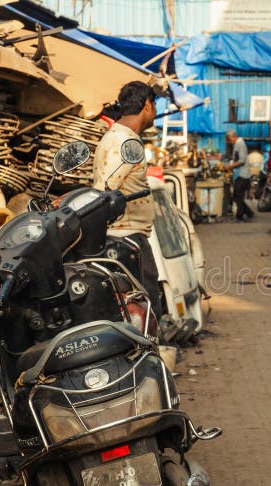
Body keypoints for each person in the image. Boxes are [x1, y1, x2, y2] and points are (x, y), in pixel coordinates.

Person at [92, 81, 163, 320]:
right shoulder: (126, 142)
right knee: (146, 310)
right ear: (147, 105)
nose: (155, 112)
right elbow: (107, 189)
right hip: (126, 237)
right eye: (155, 106)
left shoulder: (118, 136)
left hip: (125, 235)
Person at [224, 128, 253, 222]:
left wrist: (229, 166)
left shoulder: (240, 144)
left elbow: (241, 160)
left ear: (233, 136)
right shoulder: (237, 144)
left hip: (242, 174)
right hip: (239, 174)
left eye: (229, 140)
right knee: (237, 196)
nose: (230, 142)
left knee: (238, 197)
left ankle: (240, 217)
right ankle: (249, 213)